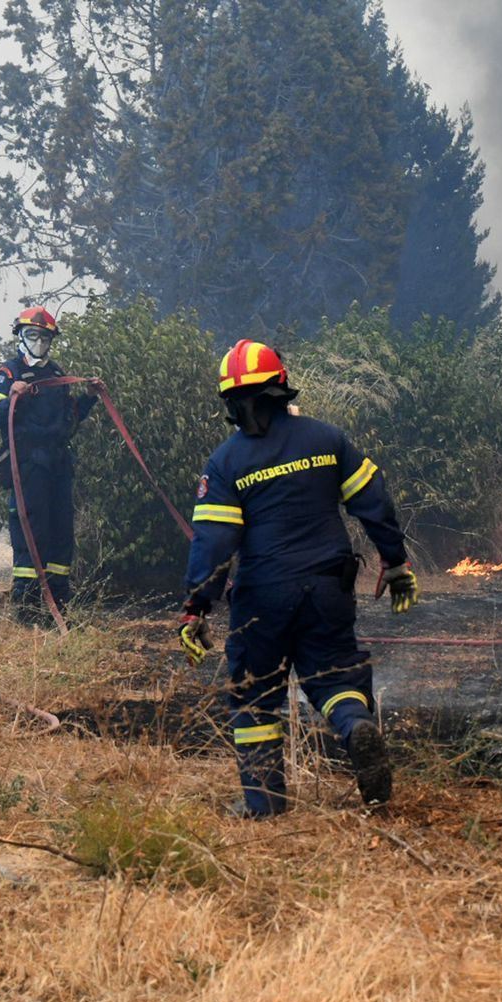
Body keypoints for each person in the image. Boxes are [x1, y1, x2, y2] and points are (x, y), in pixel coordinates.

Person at [177, 340, 417, 817]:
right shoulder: (327, 440)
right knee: (334, 676)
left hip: (262, 597)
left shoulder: (226, 463)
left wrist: (196, 607)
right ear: (282, 388)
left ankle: (264, 806)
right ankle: (355, 728)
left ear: (231, 402)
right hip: (328, 589)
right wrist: (396, 564)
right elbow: (375, 503)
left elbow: (214, 544)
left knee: (255, 695)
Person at [0, 307, 98, 622]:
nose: (39, 341)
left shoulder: (57, 374)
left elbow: (69, 419)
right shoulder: (9, 372)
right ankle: (27, 609)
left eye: (45, 336)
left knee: (61, 533)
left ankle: (58, 607)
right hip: (28, 467)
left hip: (58, 464)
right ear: (21, 336)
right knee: (32, 532)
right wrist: (13, 398)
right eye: (33, 335)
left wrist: (88, 398)